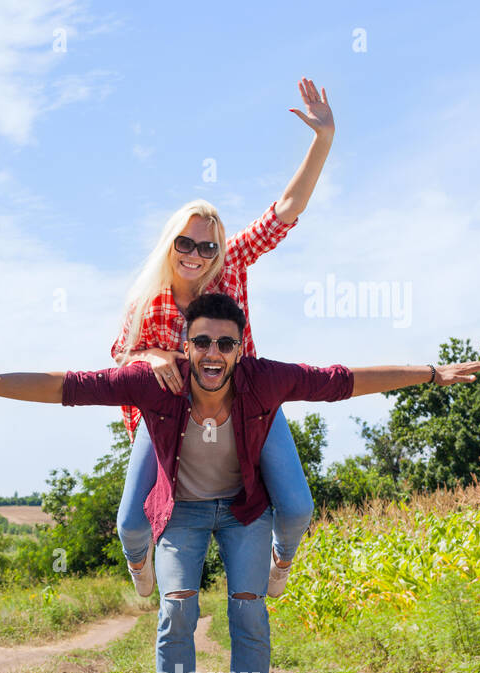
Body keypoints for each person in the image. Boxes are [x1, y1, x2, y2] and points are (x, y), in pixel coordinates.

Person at [0, 292, 480, 673]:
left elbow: (344, 381)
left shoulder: (265, 382)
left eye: (225, 344)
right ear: (184, 345)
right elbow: (65, 386)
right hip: (182, 512)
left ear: (242, 348)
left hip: (243, 512)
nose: (213, 354)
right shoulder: (156, 385)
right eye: (202, 343)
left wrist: (433, 373)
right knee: (177, 614)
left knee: (249, 616)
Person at [111, 78, 335, 601]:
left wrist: (322, 139)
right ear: (171, 243)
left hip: (243, 404)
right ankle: (139, 565)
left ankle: (280, 562)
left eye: (207, 246)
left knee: (299, 506)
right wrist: (149, 353)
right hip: (170, 412)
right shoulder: (148, 298)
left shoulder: (232, 267)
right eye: (185, 243)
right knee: (129, 521)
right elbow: (119, 358)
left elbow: (285, 211)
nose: (196, 254)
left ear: (220, 250)